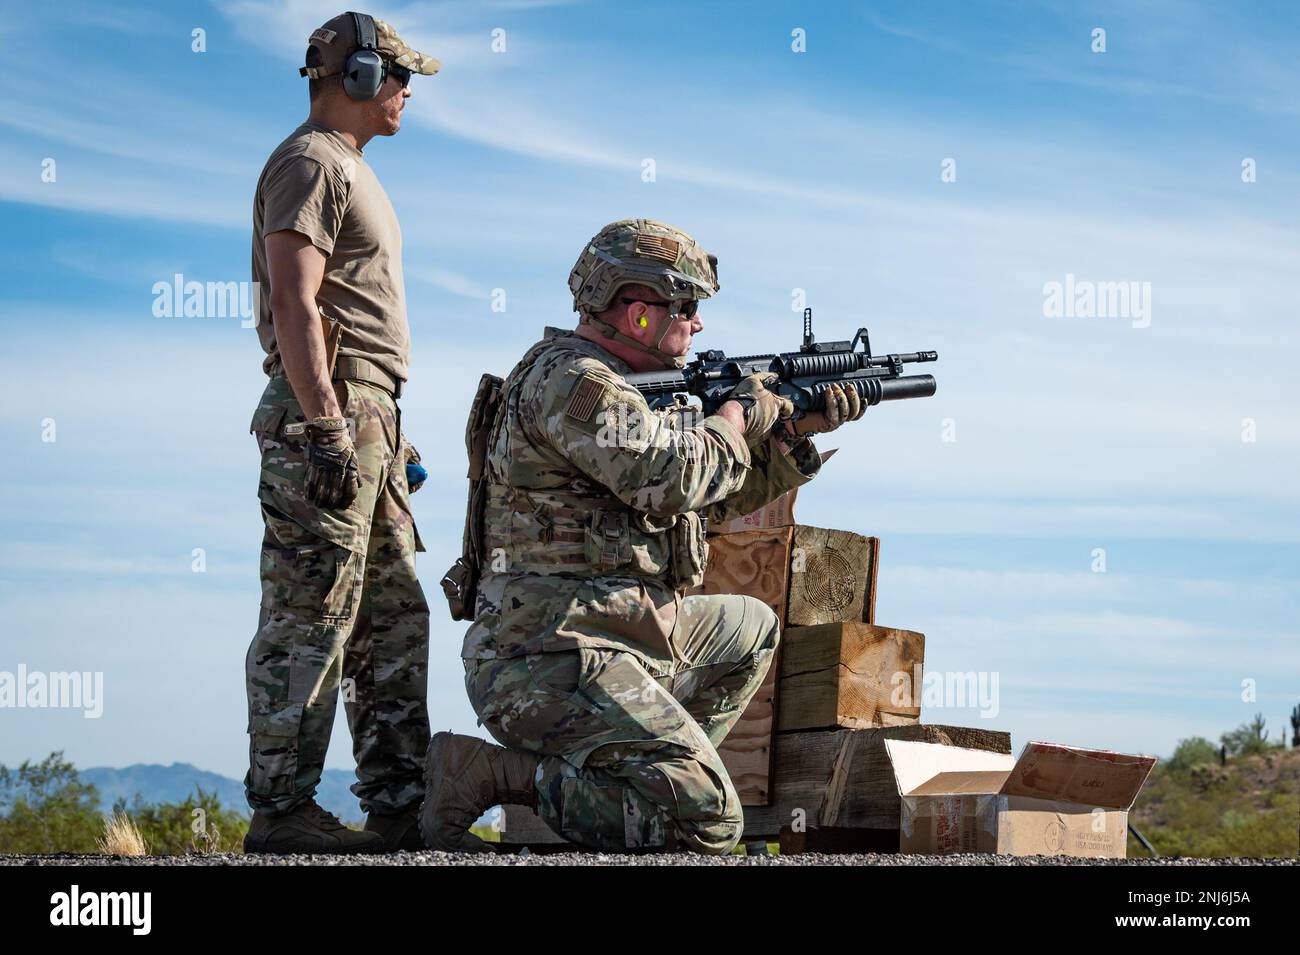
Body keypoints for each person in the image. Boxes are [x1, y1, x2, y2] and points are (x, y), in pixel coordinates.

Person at [420, 218, 866, 854]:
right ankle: (503, 774)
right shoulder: (574, 382)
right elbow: (674, 476)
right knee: (709, 826)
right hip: (550, 658)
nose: (699, 324)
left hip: (618, 629)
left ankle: (650, 787)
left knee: (751, 628)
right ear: (636, 314)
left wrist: (793, 437)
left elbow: (701, 506)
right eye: (686, 306)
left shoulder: (633, 393)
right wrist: (736, 417)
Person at [242, 12, 440, 854]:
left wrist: (388, 431)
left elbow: (351, 317)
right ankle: (283, 811)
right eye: (398, 75)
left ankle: (400, 809)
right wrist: (327, 425)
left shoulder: (349, 170)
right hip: (327, 416)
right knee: (311, 611)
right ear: (356, 74)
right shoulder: (310, 163)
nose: (406, 92)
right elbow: (295, 302)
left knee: (391, 615)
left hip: (370, 418)